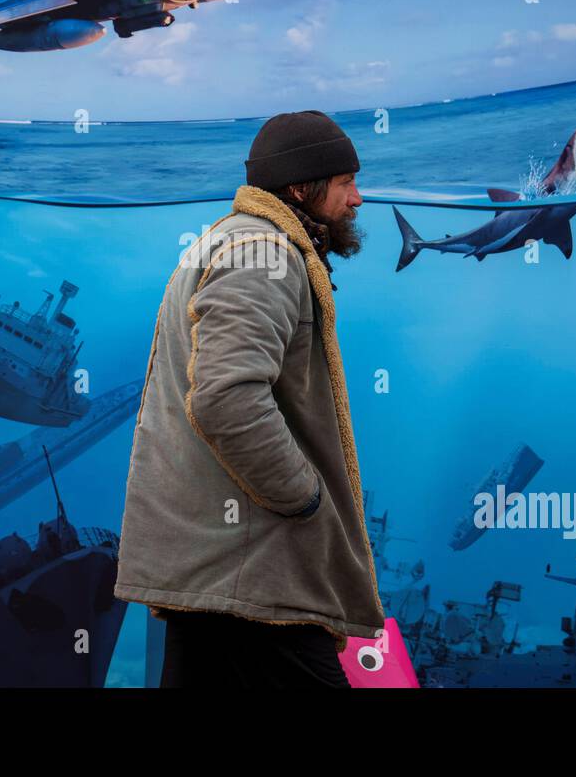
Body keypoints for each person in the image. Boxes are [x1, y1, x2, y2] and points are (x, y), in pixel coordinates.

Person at [113, 109, 387, 688]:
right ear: (300, 189)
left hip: (218, 572)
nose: (358, 199)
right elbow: (226, 398)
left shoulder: (229, 241)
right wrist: (305, 499)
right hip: (254, 576)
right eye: (345, 184)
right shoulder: (264, 255)